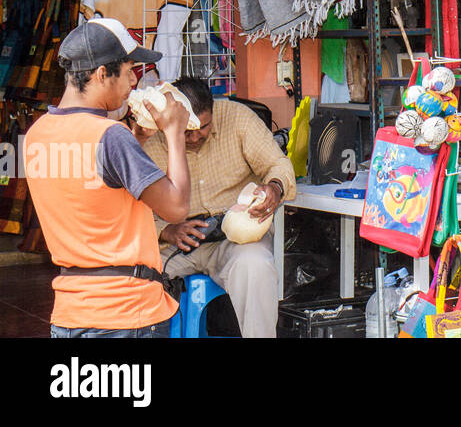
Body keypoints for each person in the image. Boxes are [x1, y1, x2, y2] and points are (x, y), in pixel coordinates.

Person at [24, 18, 191, 337]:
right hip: (126, 312)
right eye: (129, 70)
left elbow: (93, 191)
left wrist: (137, 141)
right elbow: (176, 208)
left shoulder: (36, 135)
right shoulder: (111, 137)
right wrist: (174, 133)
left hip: (71, 314)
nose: (134, 81)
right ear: (102, 74)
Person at [144, 77, 295, 338]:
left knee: (256, 266)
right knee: (132, 275)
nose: (194, 137)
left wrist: (274, 188)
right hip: (174, 244)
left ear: (212, 110)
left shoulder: (238, 118)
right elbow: (130, 204)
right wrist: (166, 230)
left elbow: (278, 165)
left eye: (202, 127)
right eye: (186, 131)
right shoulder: (152, 137)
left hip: (235, 239)